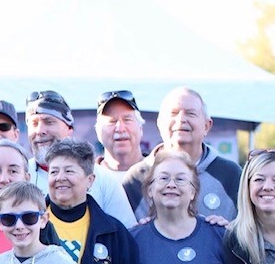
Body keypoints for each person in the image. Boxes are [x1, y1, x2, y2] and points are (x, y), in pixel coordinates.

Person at [123, 87, 242, 223]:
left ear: (207, 126)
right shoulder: (137, 178)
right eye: (173, 113)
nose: (181, 119)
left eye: (190, 114)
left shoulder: (230, 174)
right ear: (160, 123)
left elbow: (247, 229)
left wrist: (229, 232)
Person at [24, 90, 135, 228]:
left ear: (69, 129)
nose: (40, 130)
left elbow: (127, 234)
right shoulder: (18, 176)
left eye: (49, 122)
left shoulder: (103, 179)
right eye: (34, 123)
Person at [93, 89, 145, 183]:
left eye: (127, 120)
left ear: (140, 128)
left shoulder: (161, 174)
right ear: (98, 131)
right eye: (112, 121)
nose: (120, 128)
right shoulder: (86, 180)